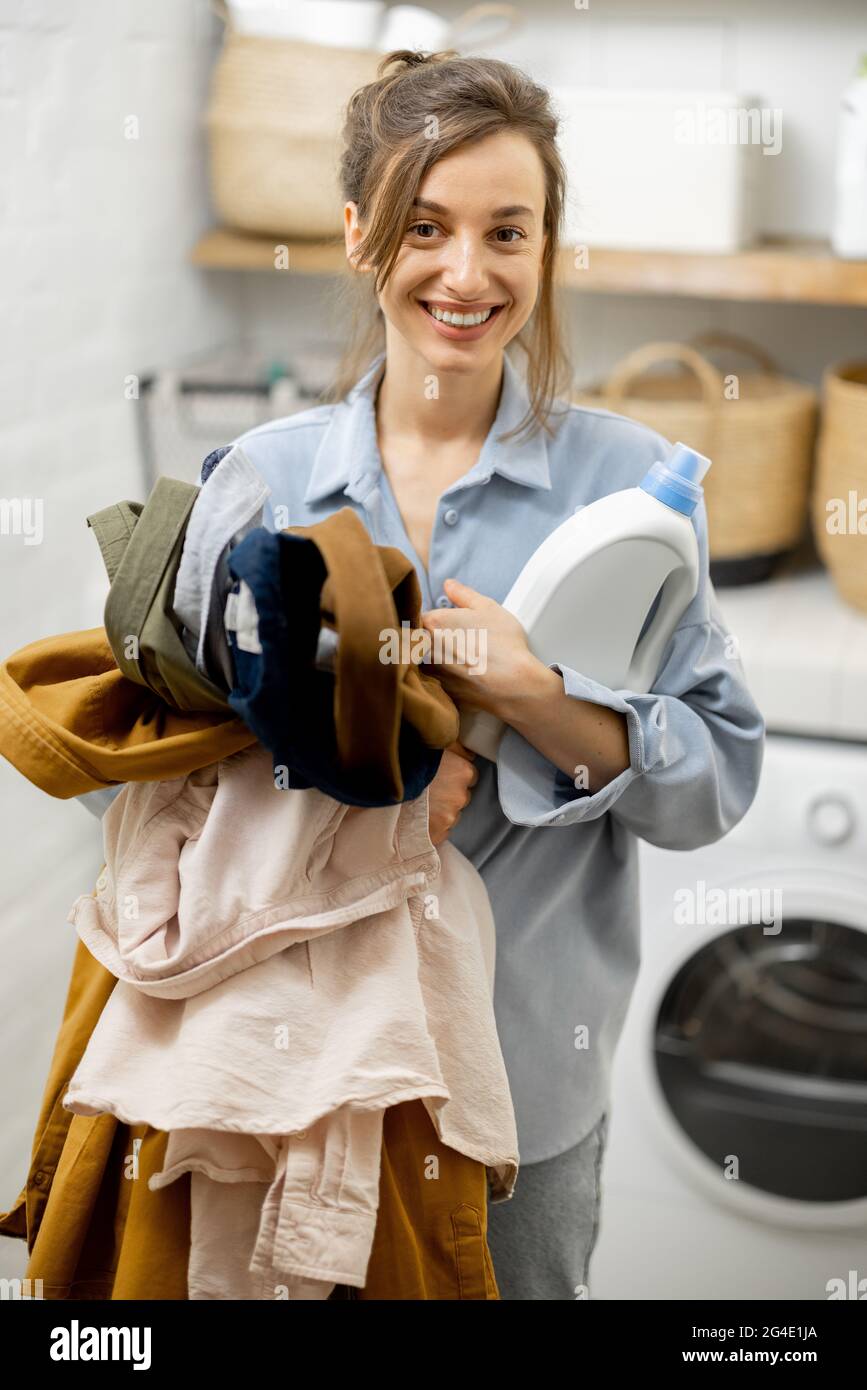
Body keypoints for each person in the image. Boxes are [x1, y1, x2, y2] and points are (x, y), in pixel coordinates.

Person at [204, 49, 765, 1298]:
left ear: (546, 247)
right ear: (359, 236)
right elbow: (143, 786)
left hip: (516, 1107)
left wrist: (535, 698)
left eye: (507, 231)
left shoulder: (631, 491)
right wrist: (352, 784)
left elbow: (714, 785)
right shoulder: (259, 481)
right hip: (282, 1082)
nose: (468, 273)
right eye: (425, 227)